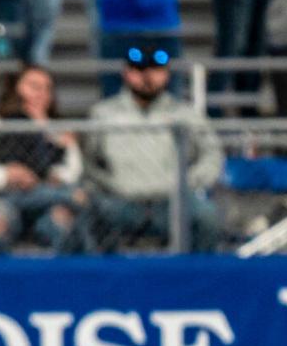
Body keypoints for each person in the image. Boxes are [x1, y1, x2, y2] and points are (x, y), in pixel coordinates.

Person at [84, 46, 223, 251]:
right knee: (94, 213)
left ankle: (199, 279)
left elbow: (212, 154)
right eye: (139, 70)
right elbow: (88, 160)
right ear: (126, 73)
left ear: (166, 74)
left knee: (206, 216)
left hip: (172, 203)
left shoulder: (184, 114)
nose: (147, 76)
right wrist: (109, 184)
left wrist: (187, 182)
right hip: (121, 201)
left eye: (156, 70)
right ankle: (103, 280)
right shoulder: (104, 114)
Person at [0, 66, 86, 254]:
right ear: (15, 88)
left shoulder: (59, 128)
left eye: (47, 88)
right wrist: (6, 175)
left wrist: (56, 175)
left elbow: (73, 170)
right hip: (3, 198)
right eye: (34, 86)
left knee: (61, 220)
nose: (42, 93)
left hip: (45, 199)